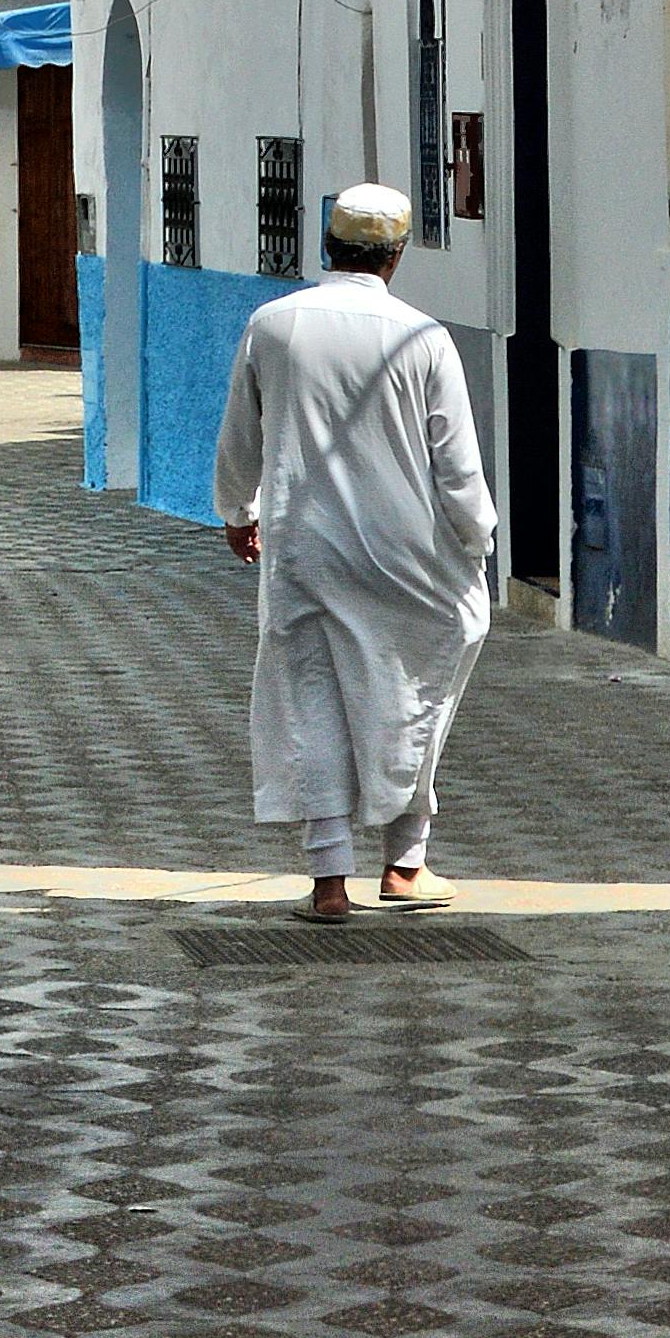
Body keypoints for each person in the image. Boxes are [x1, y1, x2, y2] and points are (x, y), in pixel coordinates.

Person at [213, 179, 496, 920]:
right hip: (412, 555)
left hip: (304, 548)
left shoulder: (272, 325)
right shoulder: (422, 338)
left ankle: (329, 878)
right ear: (395, 257)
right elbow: (456, 464)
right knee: (414, 691)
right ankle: (405, 861)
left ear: (326, 247)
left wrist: (236, 514)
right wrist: (477, 540)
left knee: (310, 696)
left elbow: (240, 437)